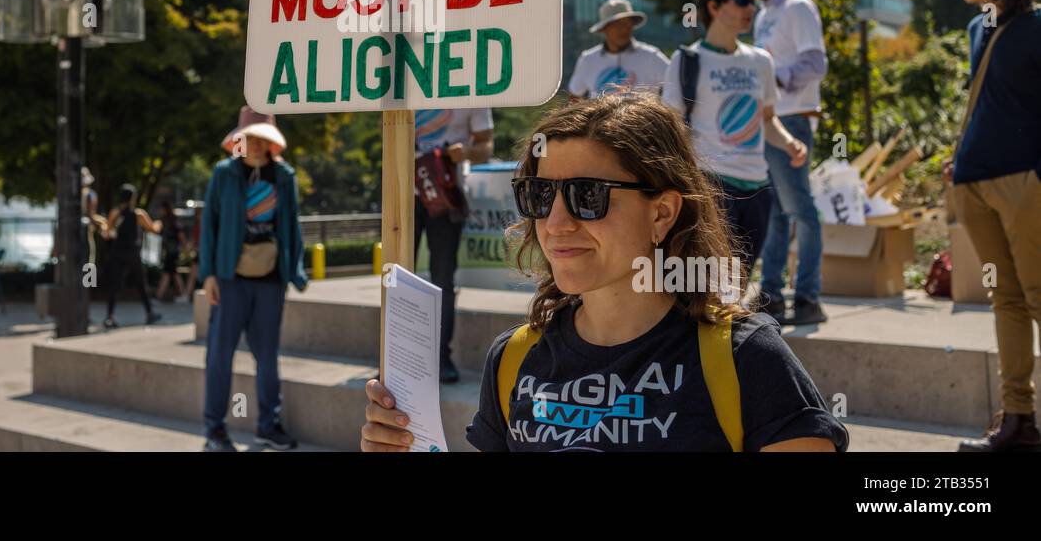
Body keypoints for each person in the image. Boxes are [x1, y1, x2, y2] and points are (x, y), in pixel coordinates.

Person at [360, 92, 848, 452]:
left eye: (587, 195)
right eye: (539, 195)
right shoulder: (513, 357)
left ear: (661, 214)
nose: (555, 223)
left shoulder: (746, 359)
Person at [943, 0, 1041, 452]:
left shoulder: (1037, 27)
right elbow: (986, 100)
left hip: (1024, 183)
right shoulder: (978, 27)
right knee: (1005, 298)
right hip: (974, 180)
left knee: (1038, 295)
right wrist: (959, 159)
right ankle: (1019, 421)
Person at [661, 0, 807, 279]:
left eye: (752, 2)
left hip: (757, 184)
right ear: (713, 7)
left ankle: (726, 326)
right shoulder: (688, 59)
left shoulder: (760, 61)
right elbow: (671, 123)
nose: (750, 8)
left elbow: (767, 120)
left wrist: (789, 142)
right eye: (741, 0)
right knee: (710, 274)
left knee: (740, 275)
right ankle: (705, 324)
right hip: (712, 182)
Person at [201, 118, 308, 452]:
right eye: (252, 139)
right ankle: (215, 430)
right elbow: (210, 224)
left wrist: (296, 270)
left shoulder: (284, 176)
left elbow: (292, 224)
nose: (258, 146)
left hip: (270, 280)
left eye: (264, 140)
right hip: (230, 280)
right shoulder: (224, 174)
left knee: (267, 357)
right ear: (240, 140)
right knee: (220, 355)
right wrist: (208, 274)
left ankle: (268, 425)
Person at [742, 0, 829, 326]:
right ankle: (773, 296)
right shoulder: (765, 15)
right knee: (777, 212)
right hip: (771, 121)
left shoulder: (797, 7)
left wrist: (773, 80)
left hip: (792, 120)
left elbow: (815, 62)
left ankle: (807, 298)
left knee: (801, 211)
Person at [413, 107, 494, 383]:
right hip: (405, 191)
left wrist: (467, 152)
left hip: (447, 194)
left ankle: (440, 357)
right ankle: (395, 355)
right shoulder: (409, 77)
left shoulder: (472, 87)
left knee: (443, 279)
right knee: (396, 277)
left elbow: (486, 145)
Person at [568, 0, 670, 97]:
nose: (624, 29)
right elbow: (574, 95)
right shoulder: (587, 60)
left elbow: (676, 85)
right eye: (617, 24)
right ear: (604, 28)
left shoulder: (651, 56)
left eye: (628, 24)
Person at [98, 183, 163, 328]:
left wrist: (103, 227)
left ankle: (109, 316)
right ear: (133, 198)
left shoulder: (115, 213)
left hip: (117, 252)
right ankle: (150, 313)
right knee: (141, 284)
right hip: (132, 252)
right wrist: (159, 224)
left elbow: (107, 234)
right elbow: (153, 229)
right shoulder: (138, 214)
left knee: (115, 285)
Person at [155, 200, 186, 303]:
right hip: (169, 251)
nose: (159, 211)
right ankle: (181, 295)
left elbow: (181, 236)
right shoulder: (164, 221)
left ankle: (159, 296)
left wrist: (185, 248)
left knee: (168, 274)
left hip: (173, 251)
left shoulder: (173, 221)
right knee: (172, 274)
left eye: (161, 208)